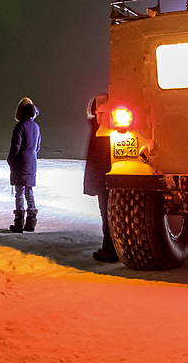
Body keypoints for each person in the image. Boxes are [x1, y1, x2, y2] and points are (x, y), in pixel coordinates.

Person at [83, 94, 117, 262]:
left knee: (106, 213)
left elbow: (95, 159)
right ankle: (114, 247)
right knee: (113, 214)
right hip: (114, 177)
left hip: (103, 179)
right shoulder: (114, 128)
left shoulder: (98, 129)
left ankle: (110, 249)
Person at [6, 97, 41, 233]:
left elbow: (16, 147)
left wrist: (10, 160)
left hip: (20, 163)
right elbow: (37, 147)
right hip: (32, 163)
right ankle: (31, 222)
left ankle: (19, 223)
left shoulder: (20, 127)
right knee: (29, 191)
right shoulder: (36, 127)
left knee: (19, 192)